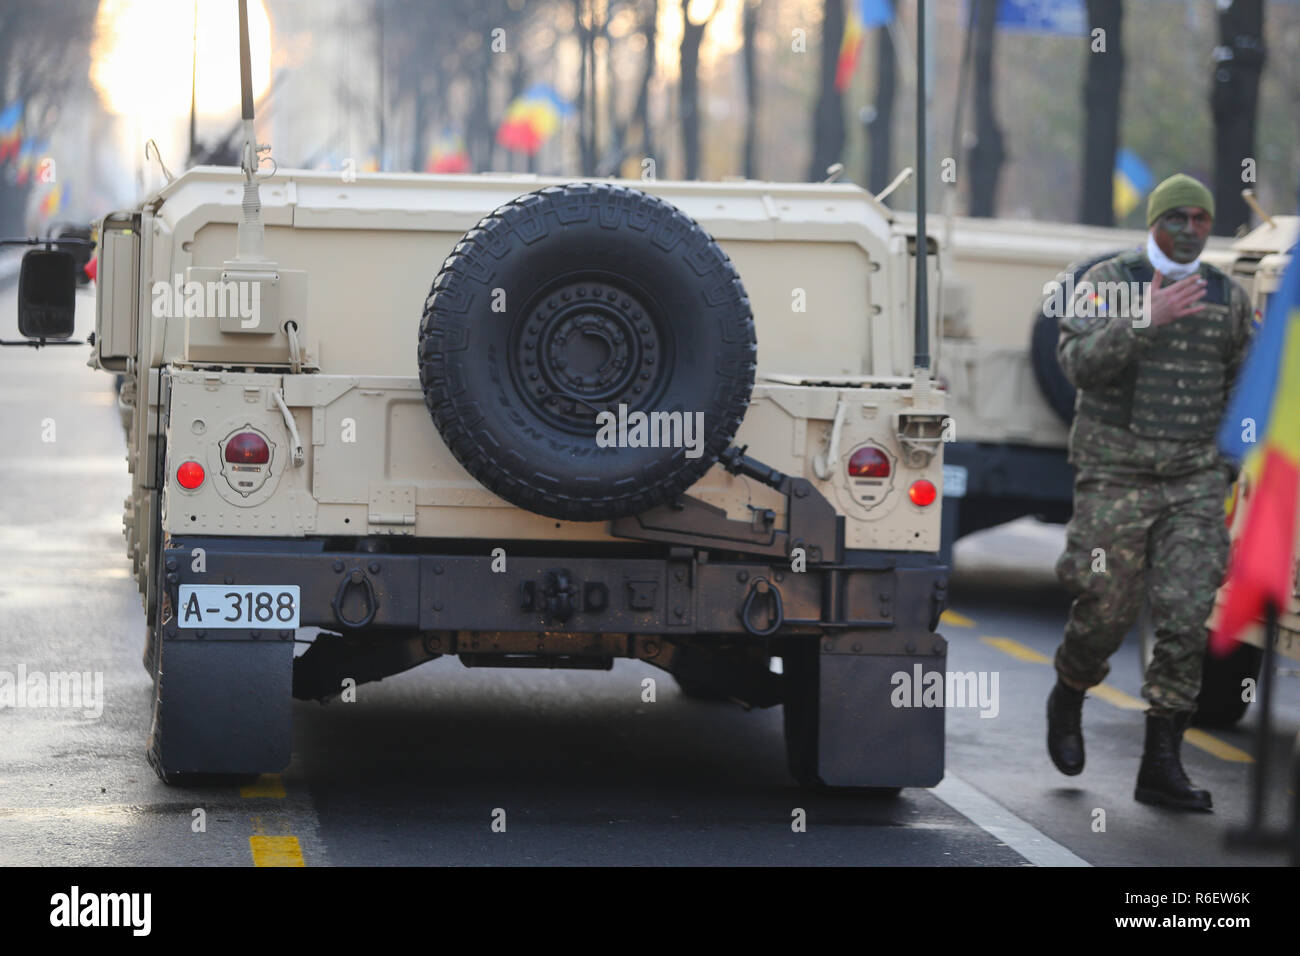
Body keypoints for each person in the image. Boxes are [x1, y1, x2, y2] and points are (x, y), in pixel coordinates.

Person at [1046, 173, 1254, 810]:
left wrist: (1228, 463)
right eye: (1176, 218)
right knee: (1105, 609)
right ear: (1154, 223)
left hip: (1193, 481)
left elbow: (1242, 386)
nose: (1189, 229)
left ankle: (1161, 762)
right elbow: (1077, 364)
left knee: (1187, 617)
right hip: (1117, 475)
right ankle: (1071, 688)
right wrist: (1144, 319)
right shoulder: (1110, 282)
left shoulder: (1227, 297)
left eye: (1200, 218)